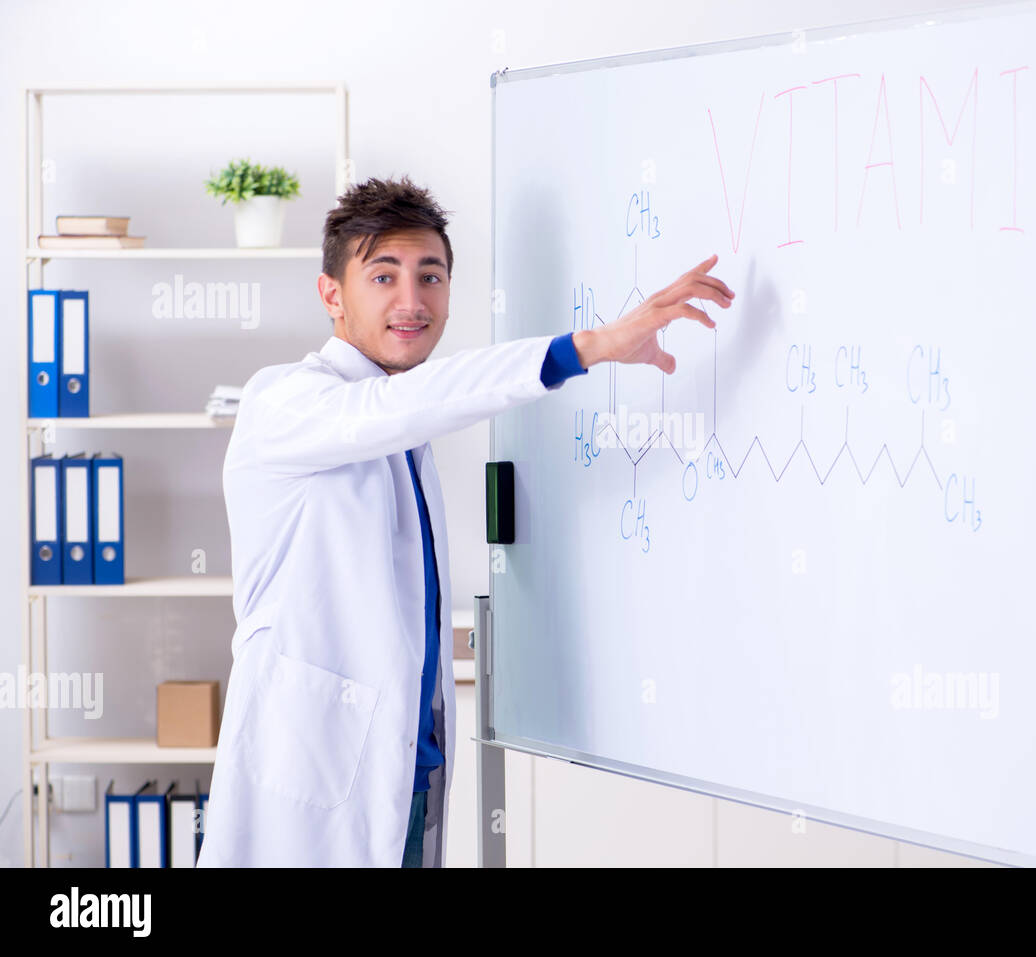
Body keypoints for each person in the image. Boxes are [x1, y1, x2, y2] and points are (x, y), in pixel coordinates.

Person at [196, 175, 734, 866]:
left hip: (408, 774)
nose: (412, 301)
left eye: (431, 276)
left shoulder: (405, 430)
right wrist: (587, 347)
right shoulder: (288, 403)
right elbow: (408, 405)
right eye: (383, 276)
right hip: (312, 789)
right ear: (331, 293)